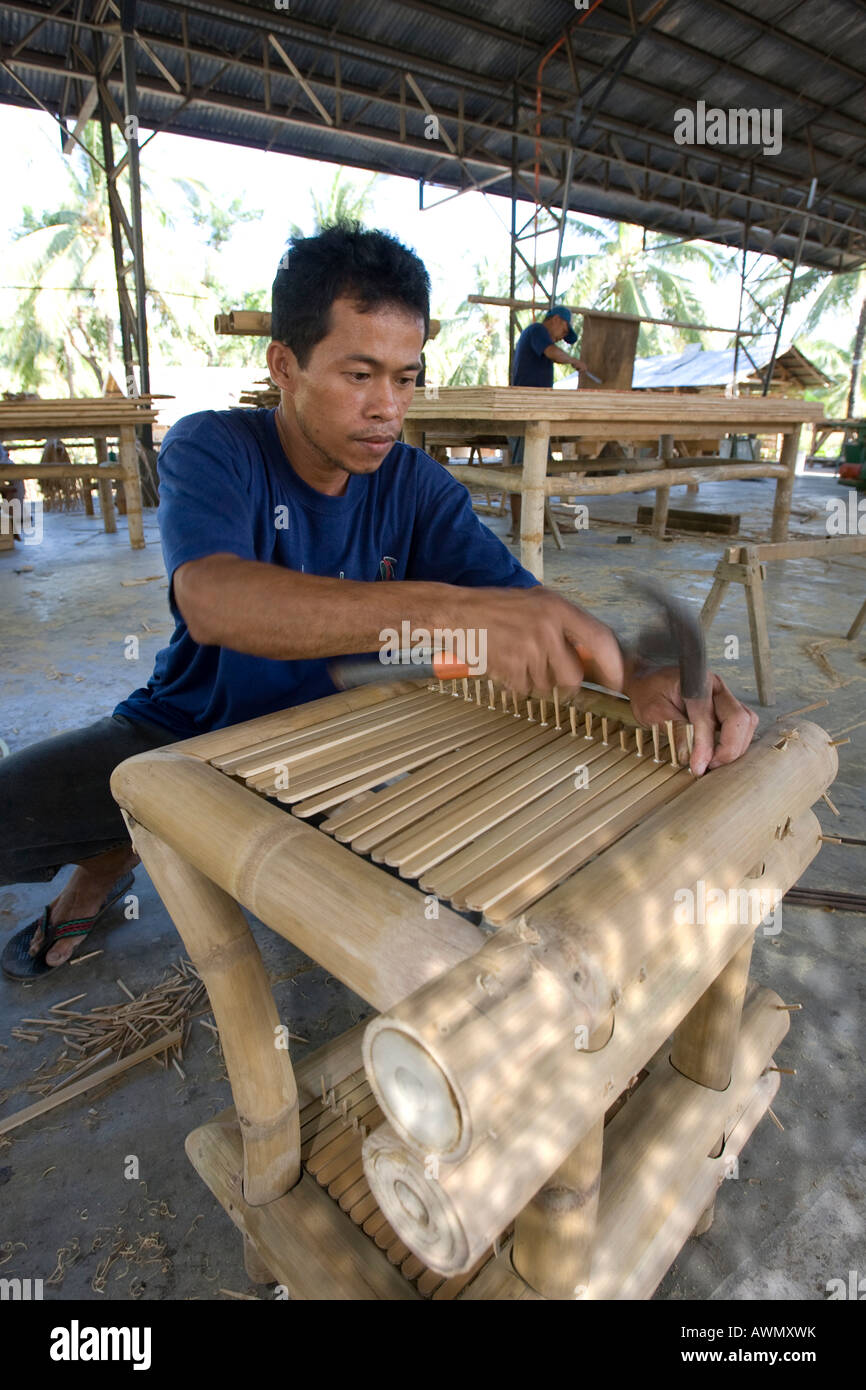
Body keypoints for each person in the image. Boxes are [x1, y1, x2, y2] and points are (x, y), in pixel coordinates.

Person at [0, 225, 758, 980]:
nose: (387, 408)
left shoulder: (415, 485)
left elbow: (530, 612)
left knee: (461, 951)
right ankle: (104, 866)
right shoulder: (214, 447)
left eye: (405, 377)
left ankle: (138, 847)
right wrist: (444, 615)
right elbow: (213, 599)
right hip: (188, 729)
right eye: (359, 375)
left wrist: (636, 672)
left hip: (356, 749)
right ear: (284, 367)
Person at [507, 304, 588, 535]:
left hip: (537, 413)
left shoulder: (542, 339)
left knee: (541, 470)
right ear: (555, 319)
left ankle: (544, 523)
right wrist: (574, 361)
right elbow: (552, 352)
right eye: (564, 328)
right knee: (522, 468)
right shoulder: (537, 331)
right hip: (523, 412)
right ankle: (518, 525)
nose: (563, 335)